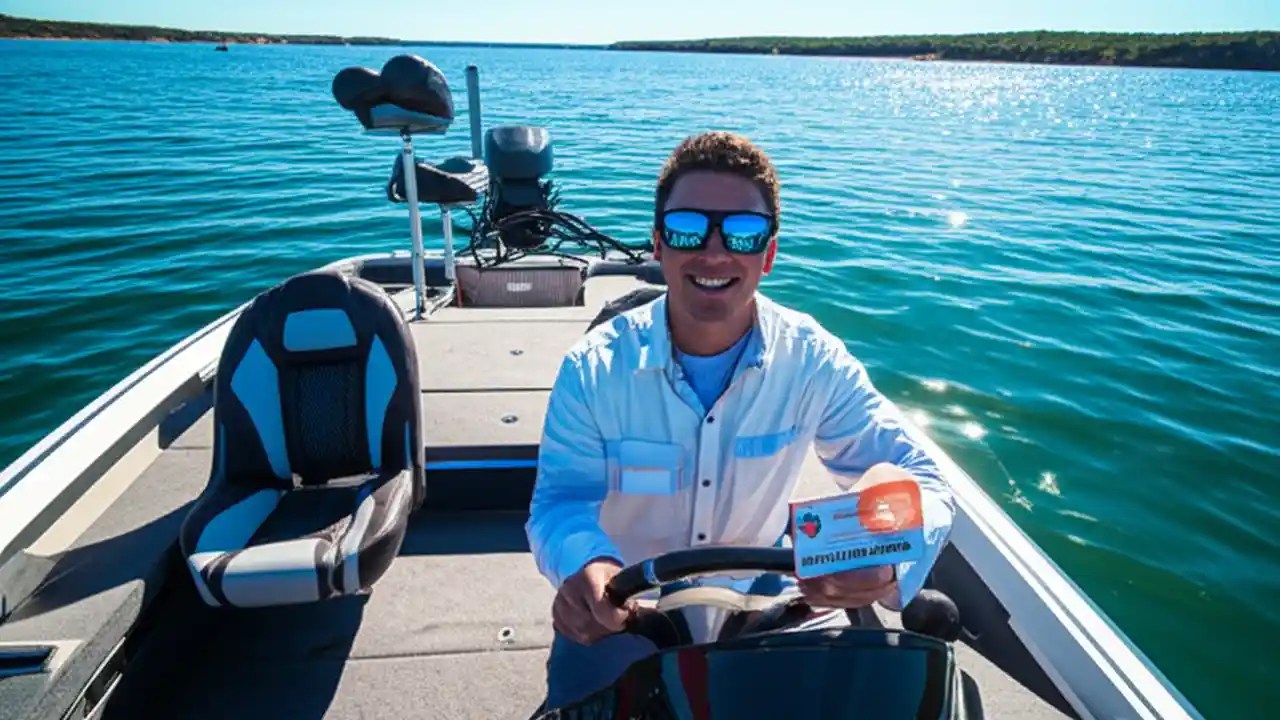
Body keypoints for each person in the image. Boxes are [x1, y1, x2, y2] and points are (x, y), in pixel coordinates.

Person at [525, 131, 955, 708]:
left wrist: (888, 546)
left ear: (768, 255)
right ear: (658, 244)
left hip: (771, 607)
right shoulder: (591, 368)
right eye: (686, 228)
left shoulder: (814, 359)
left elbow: (916, 472)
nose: (714, 251)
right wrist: (587, 567)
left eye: (743, 233)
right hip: (622, 615)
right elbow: (561, 502)